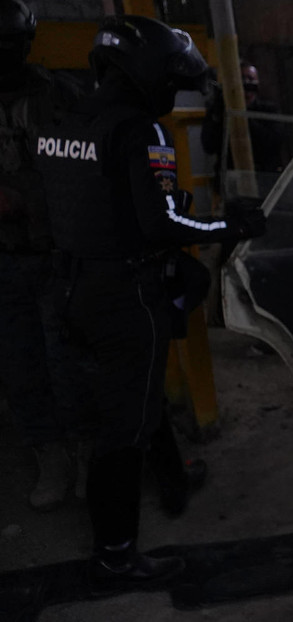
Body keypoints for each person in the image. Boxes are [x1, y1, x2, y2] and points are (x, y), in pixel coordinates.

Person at [33, 15, 266, 591]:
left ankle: (173, 479)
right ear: (147, 73)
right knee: (124, 427)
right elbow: (162, 221)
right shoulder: (140, 131)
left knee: (130, 398)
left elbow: (68, 208)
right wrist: (227, 224)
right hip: (124, 295)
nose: (172, 92)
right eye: (171, 79)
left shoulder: (63, 119)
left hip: (68, 287)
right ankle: (116, 554)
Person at [0, 0, 86, 512]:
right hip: (6, 260)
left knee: (68, 361)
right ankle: (50, 458)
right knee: (20, 364)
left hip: (57, 253)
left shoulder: (57, 96)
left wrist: (24, 199)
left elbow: (81, 172)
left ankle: (84, 454)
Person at [200, 59, 283, 177]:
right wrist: (218, 113)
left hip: (263, 178)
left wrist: (244, 116)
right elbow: (208, 146)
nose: (246, 85)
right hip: (230, 178)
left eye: (251, 79)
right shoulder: (220, 110)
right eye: (241, 79)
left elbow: (273, 142)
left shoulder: (268, 110)